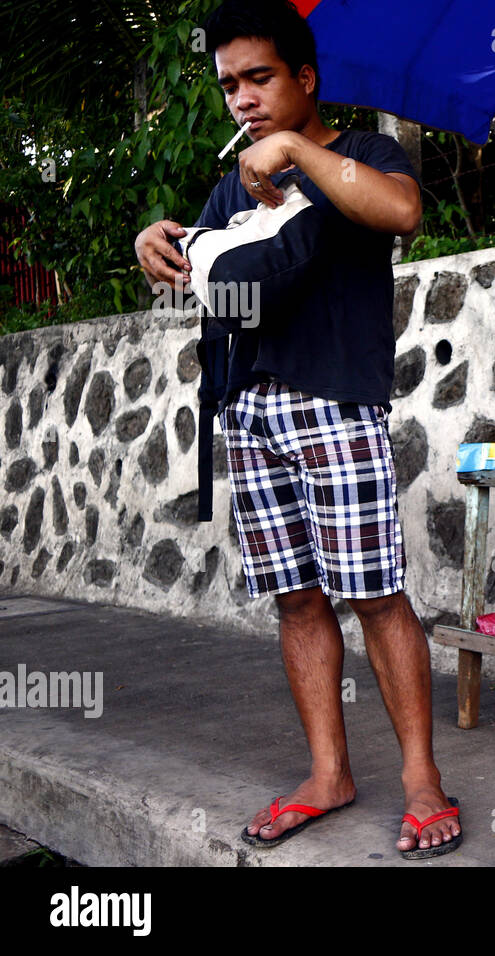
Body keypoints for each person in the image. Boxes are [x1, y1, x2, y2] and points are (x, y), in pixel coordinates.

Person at [132, 0, 462, 859]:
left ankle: (422, 781)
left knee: (375, 591)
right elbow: (204, 263)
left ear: (304, 78)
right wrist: (153, 242)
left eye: (259, 77)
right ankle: (329, 772)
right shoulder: (227, 183)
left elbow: (399, 212)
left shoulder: (361, 153)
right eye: (230, 84)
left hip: (336, 402)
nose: (241, 98)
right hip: (249, 406)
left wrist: (297, 154)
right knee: (297, 597)